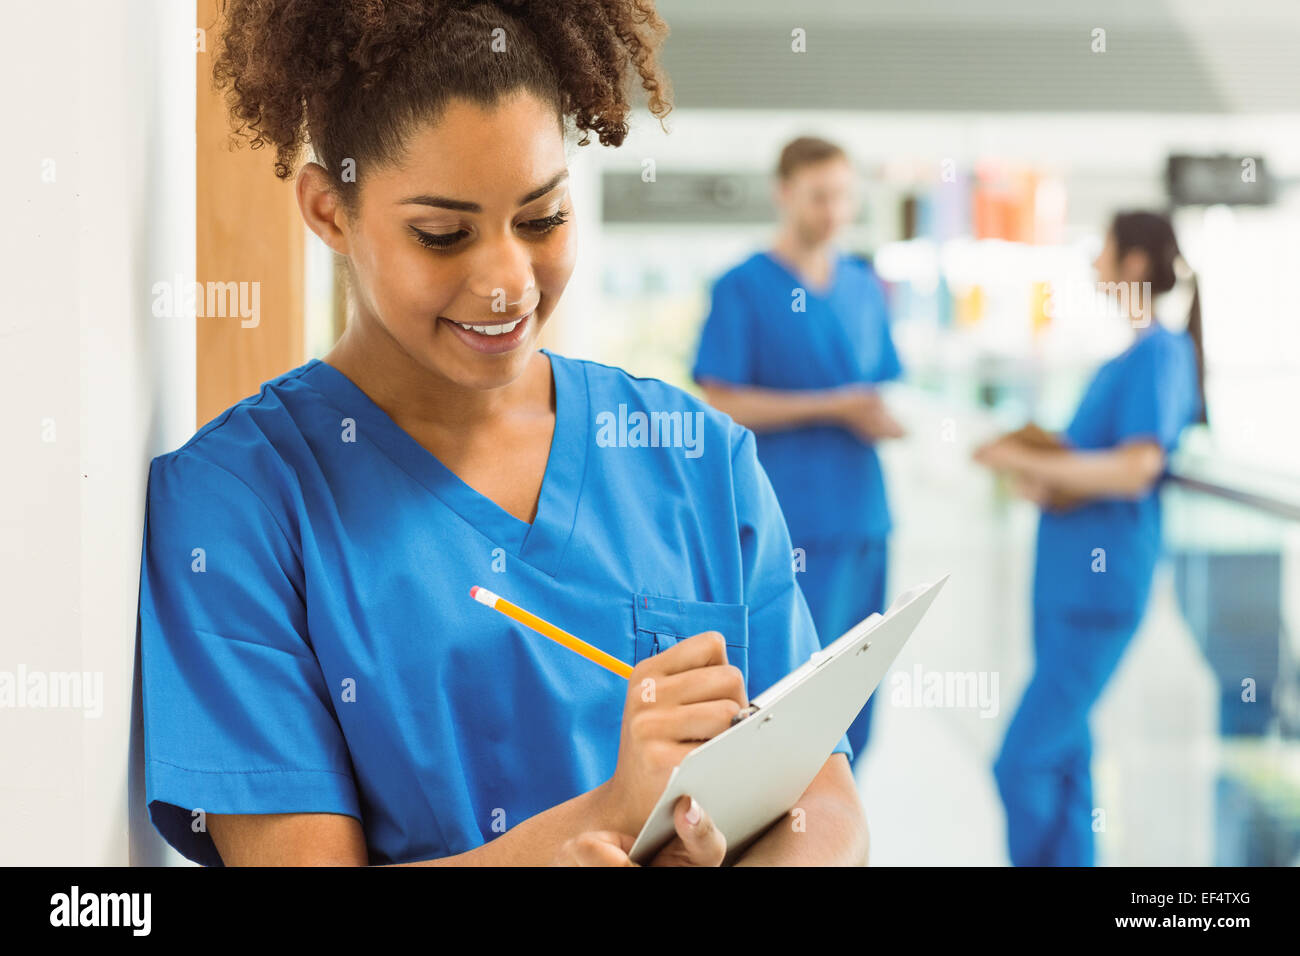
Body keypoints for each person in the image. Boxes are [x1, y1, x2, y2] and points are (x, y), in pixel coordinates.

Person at [137, 0, 867, 867]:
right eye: (443, 235)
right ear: (330, 210)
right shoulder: (238, 504)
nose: (507, 283)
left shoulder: (697, 457)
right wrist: (611, 813)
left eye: (542, 219)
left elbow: (820, 796)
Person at [974, 211, 1205, 866]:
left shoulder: (1160, 353)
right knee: (1067, 760)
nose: (1094, 265)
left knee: (1020, 763)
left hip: (1100, 593)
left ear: (1133, 264)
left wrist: (1028, 463)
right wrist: (1044, 474)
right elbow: (1093, 465)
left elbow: (1137, 468)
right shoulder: (1126, 358)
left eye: (1102, 251)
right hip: (1068, 585)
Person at [691, 136, 905, 770]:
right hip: (790, 520)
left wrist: (875, 417)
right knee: (795, 696)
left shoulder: (865, 287)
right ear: (784, 194)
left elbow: (878, 385)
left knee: (858, 704)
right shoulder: (743, 287)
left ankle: (838, 835)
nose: (833, 211)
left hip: (864, 518)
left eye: (843, 196)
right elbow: (721, 402)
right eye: (819, 196)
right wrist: (832, 406)